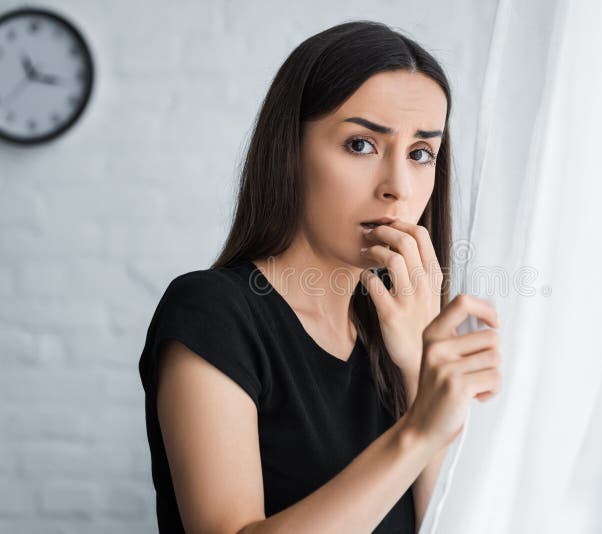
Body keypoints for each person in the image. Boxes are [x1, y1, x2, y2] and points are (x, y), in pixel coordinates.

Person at [138, 20, 502, 534]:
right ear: (290, 151)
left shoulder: (395, 336)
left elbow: (447, 524)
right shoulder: (212, 311)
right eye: (360, 145)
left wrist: (422, 365)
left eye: (421, 154)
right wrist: (419, 429)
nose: (398, 187)